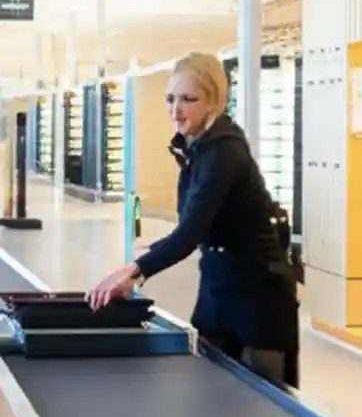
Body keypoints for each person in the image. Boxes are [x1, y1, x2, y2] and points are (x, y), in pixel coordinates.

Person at [87, 52, 299, 387]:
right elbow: (191, 228)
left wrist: (136, 270)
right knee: (210, 398)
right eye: (170, 98)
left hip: (257, 301)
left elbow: (190, 232)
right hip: (217, 291)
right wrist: (137, 269)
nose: (176, 109)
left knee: (264, 412)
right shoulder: (197, 148)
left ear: (213, 100)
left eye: (188, 99)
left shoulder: (224, 152)